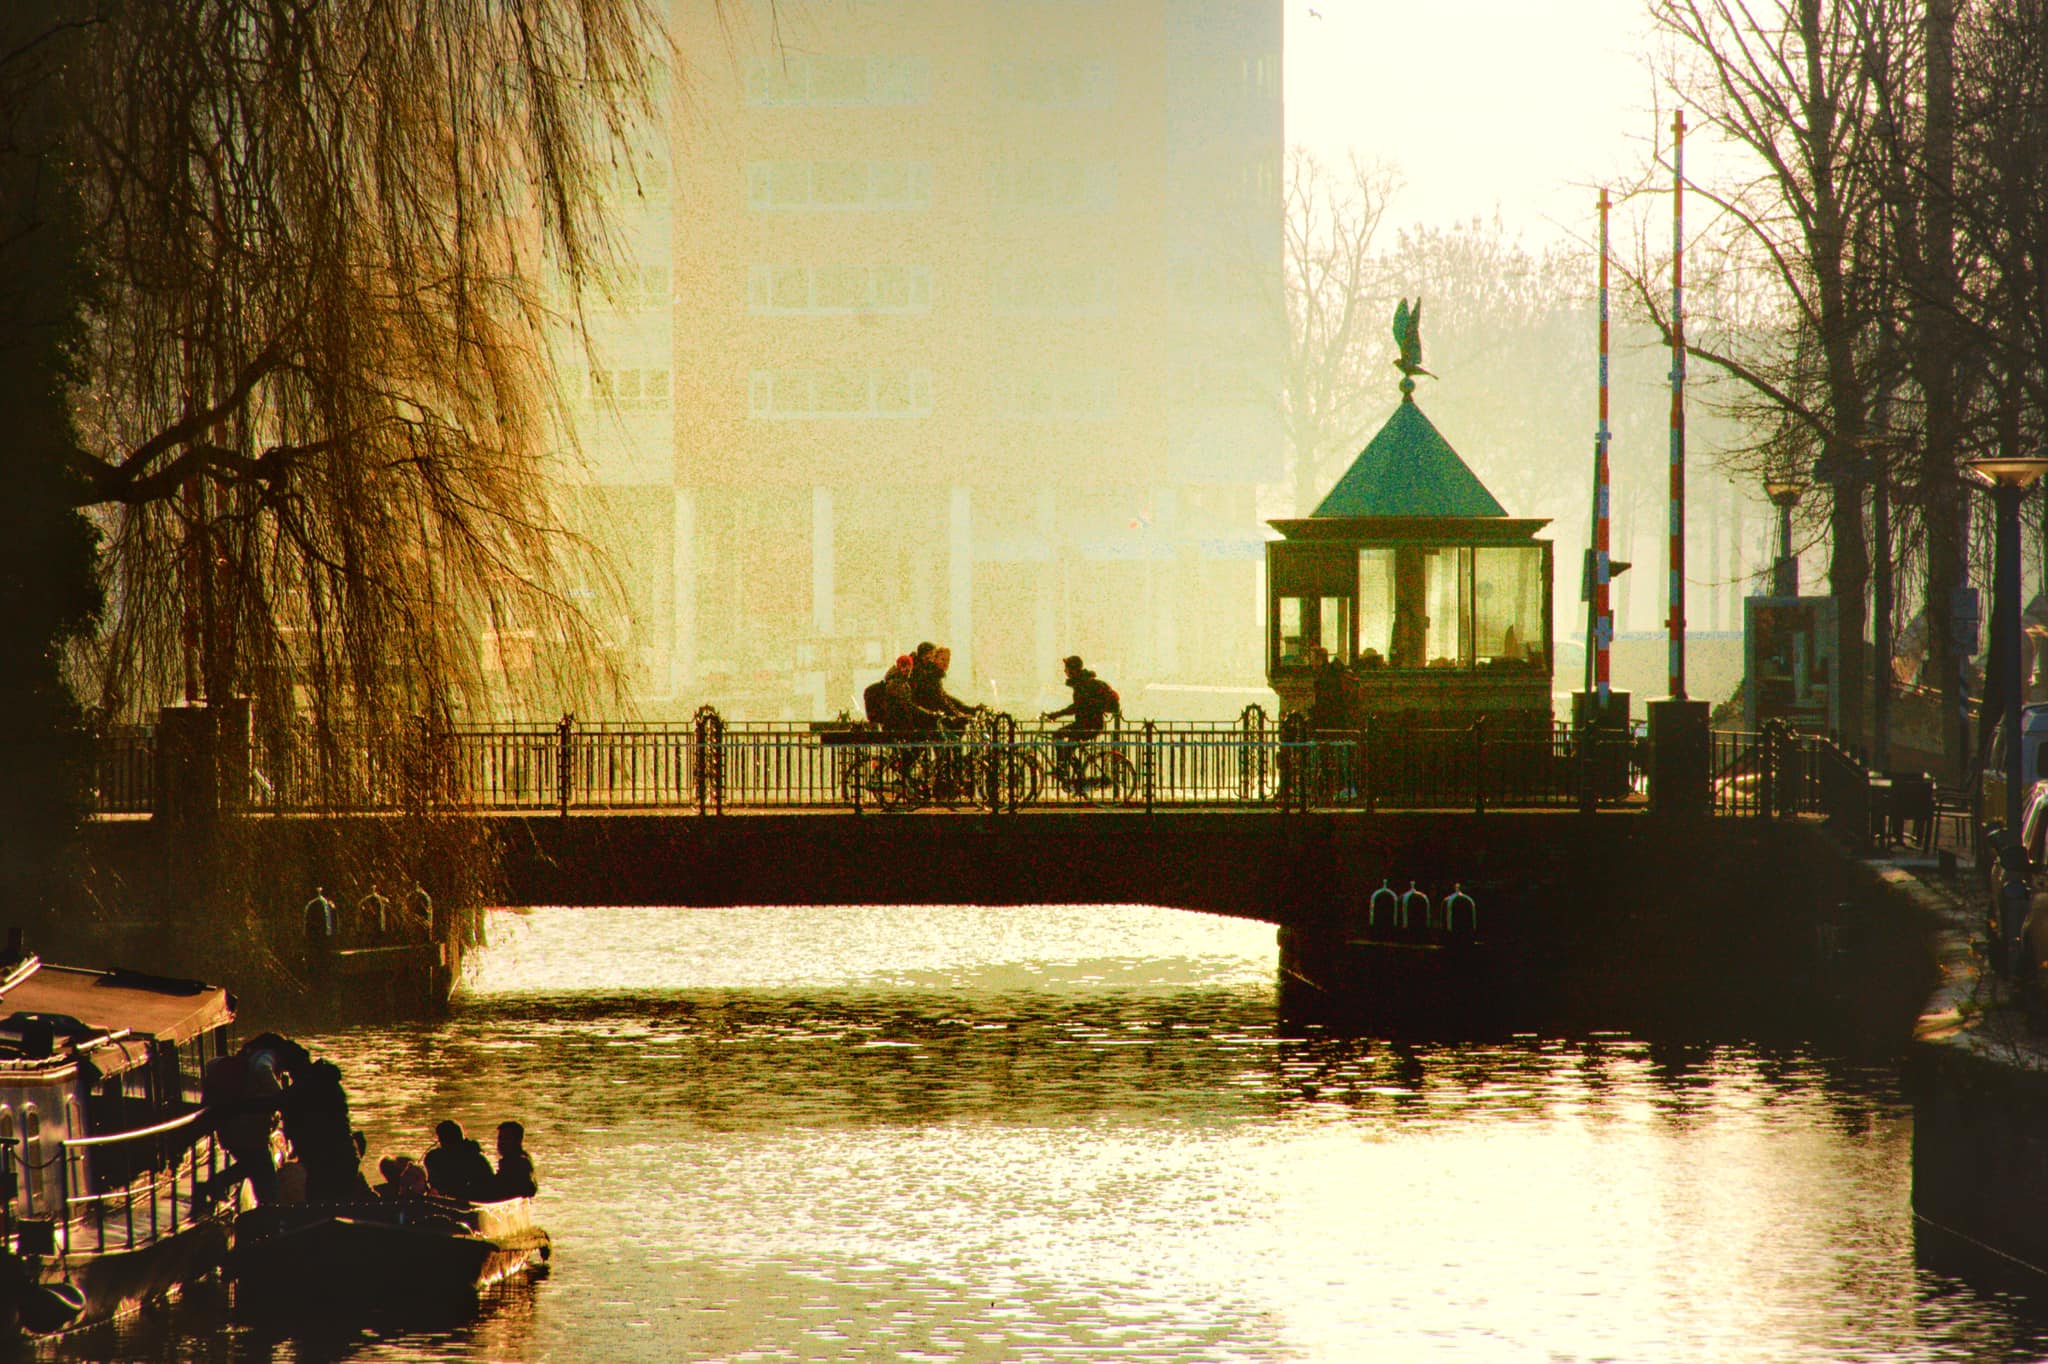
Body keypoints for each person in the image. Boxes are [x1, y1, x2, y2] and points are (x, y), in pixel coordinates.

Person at [1042, 655, 1120, 787]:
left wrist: (1056, 715)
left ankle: (1066, 771)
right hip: (1085, 724)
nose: (1065, 671)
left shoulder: (1083, 684)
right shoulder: (1082, 682)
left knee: (1059, 736)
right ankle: (1071, 773)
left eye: (1066, 668)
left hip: (1089, 725)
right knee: (1062, 740)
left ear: (1073, 669)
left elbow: (1076, 707)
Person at [423, 1119, 497, 1203]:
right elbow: (432, 1182)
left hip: (471, 1198)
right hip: (447, 1198)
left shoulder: (475, 1158)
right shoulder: (434, 1157)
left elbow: (487, 1186)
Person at [493, 1120, 538, 1200]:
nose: (501, 1143)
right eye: (500, 1138)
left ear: (518, 1141)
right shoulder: (521, 1158)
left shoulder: (518, 1162)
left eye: (506, 1139)